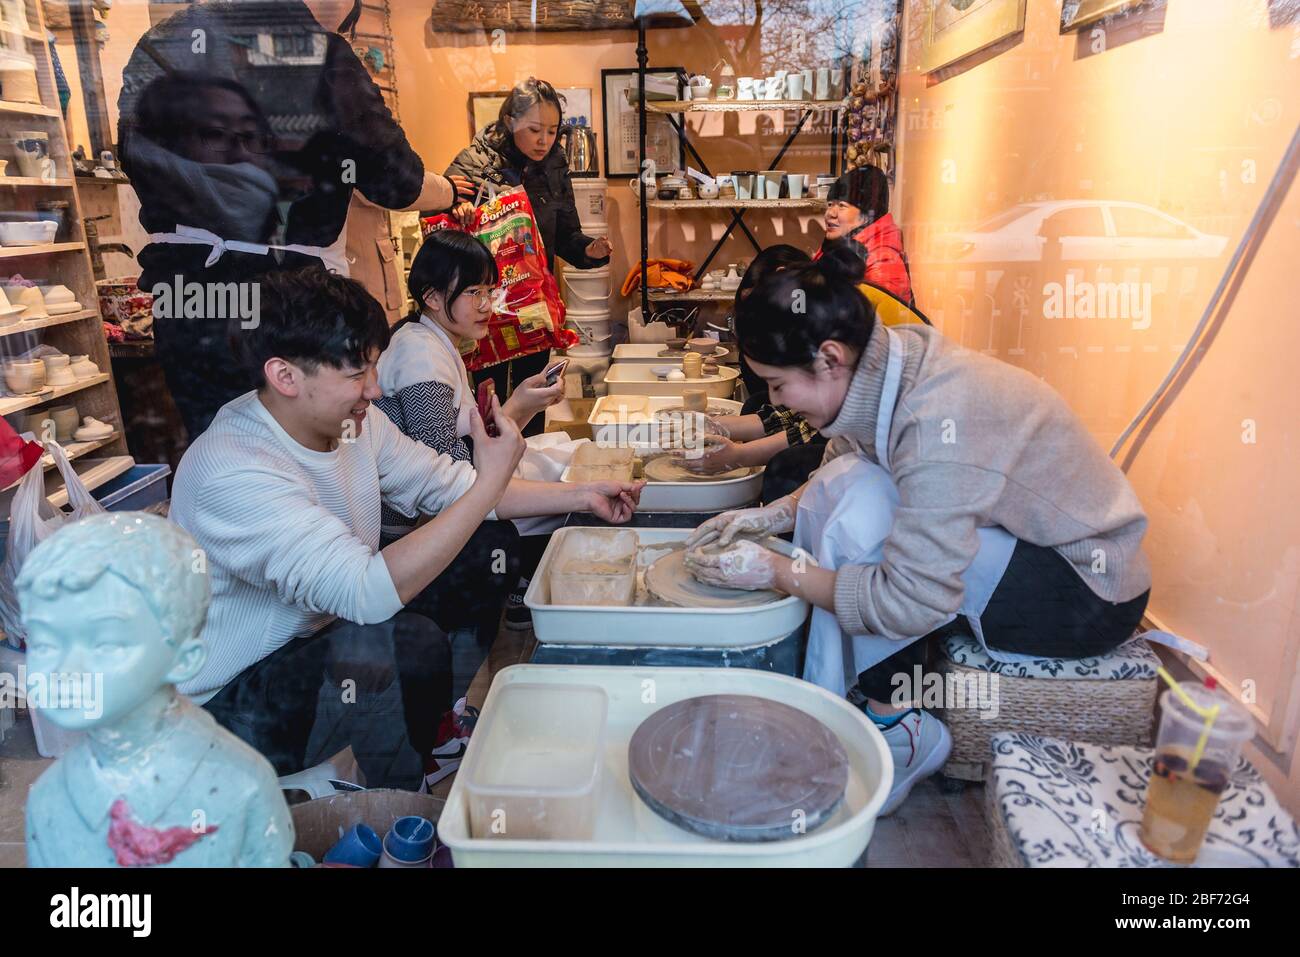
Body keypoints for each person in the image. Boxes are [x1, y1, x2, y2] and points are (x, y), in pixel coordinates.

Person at [685, 252, 1151, 815]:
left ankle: (899, 729)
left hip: (1084, 588)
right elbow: (844, 457)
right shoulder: (888, 359)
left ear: (830, 358)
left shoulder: (939, 416)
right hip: (1026, 541)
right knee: (843, 485)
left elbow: (911, 599)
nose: (778, 402)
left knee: (863, 513)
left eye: (779, 386)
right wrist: (771, 515)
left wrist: (779, 572)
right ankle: (837, 700)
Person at [169, 265, 640, 790]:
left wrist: (583, 495)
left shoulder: (353, 424)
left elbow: (447, 484)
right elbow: (365, 594)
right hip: (228, 704)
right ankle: (404, 807)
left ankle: (435, 727)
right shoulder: (233, 468)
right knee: (403, 644)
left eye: (374, 367)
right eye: (356, 374)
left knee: (488, 548)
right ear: (285, 376)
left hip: (320, 631)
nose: (374, 388)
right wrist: (490, 481)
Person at [116, 0, 476, 441]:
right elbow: (396, 180)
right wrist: (449, 191)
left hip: (186, 300)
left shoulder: (163, 42)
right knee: (305, 466)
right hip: (284, 303)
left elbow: (135, 158)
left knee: (216, 456)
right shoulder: (320, 55)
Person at [19, 514, 294, 868]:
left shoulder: (239, 785)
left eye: (105, 642)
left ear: (183, 659)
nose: (65, 669)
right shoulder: (49, 801)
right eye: (44, 643)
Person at [374, 229, 571, 641]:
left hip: (437, 496)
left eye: (489, 291)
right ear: (431, 297)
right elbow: (443, 470)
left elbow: (461, 443)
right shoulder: (421, 356)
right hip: (407, 525)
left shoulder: (434, 340)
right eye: (473, 293)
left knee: (562, 454)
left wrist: (521, 402)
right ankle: (520, 595)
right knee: (563, 485)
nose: (486, 305)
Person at [445, 77, 612, 428]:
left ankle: (531, 463)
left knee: (534, 394)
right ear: (510, 121)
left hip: (531, 299)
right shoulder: (474, 162)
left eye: (552, 131)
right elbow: (440, 225)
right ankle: (490, 473)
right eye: (535, 129)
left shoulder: (554, 164)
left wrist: (590, 251)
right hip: (482, 304)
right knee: (486, 400)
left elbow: (566, 235)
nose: (544, 141)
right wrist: (457, 211)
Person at [817, 164, 913, 305]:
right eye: (830, 204)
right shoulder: (842, 245)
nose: (830, 213)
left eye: (842, 205)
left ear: (867, 215)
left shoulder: (881, 262)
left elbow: (876, 322)